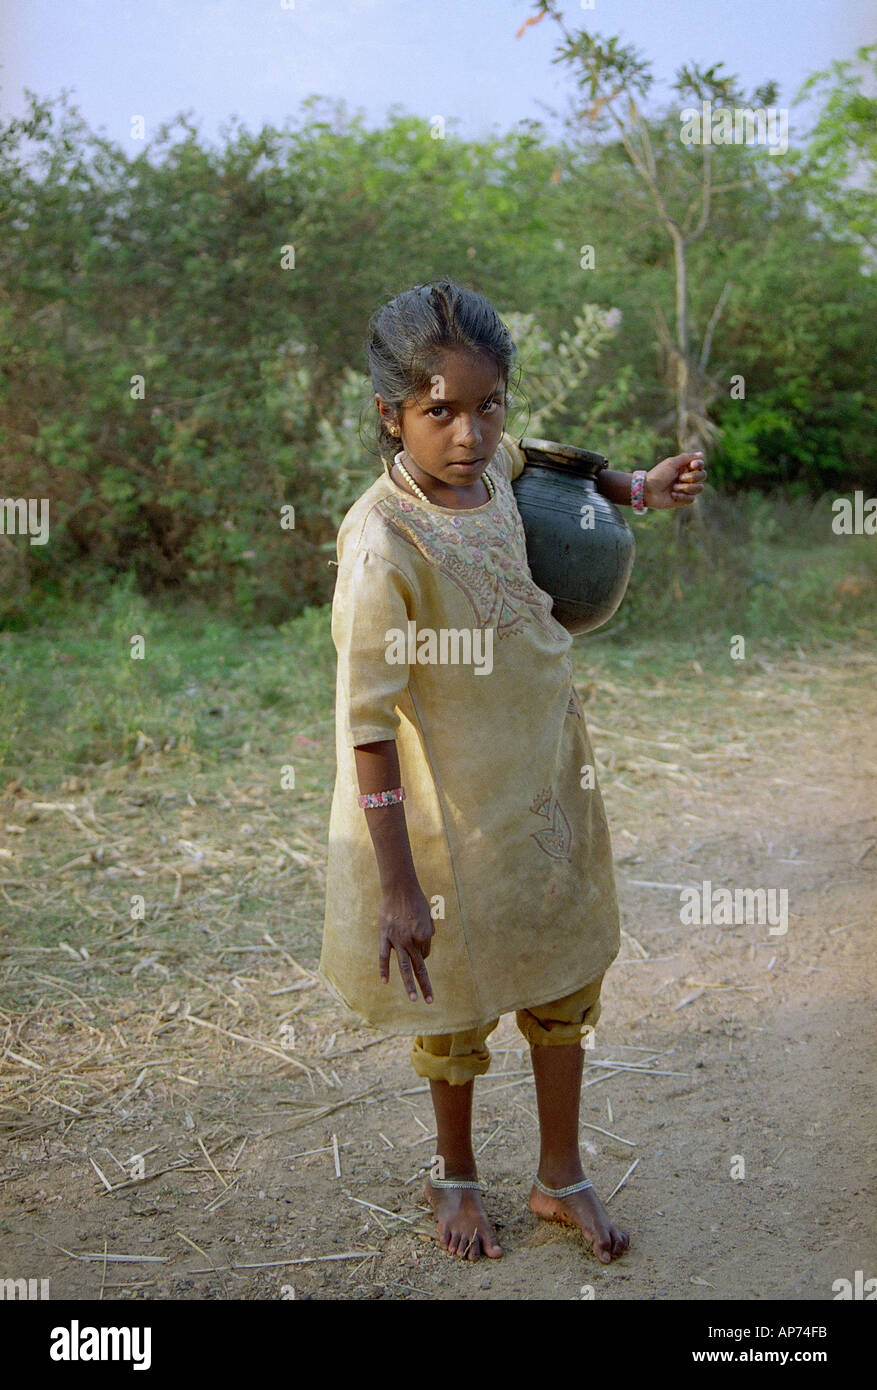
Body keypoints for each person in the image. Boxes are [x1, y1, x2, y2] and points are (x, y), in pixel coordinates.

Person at [319, 279, 706, 1264]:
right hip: (447, 813)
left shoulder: (497, 471)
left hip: (541, 779)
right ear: (389, 415)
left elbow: (552, 468)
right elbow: (364, 722)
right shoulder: (381, 542)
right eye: (438, 412)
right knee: (453, 997)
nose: (468, 433)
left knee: (562, 970)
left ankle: (557, 1172)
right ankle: (453, 1171)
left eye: (487, 405)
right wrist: (399, 883)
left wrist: (635, 490)